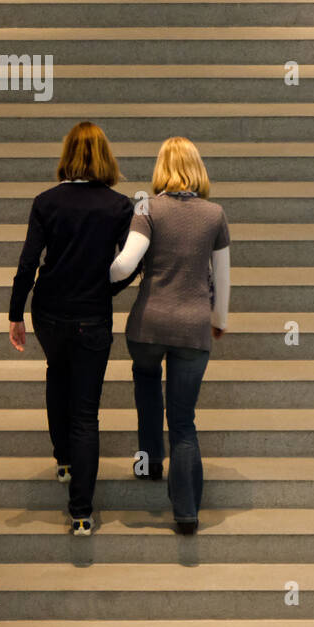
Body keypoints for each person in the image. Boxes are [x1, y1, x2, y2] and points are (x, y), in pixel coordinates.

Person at [8, 121, 134, 537]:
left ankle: (62, 459)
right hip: (92, 317)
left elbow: (29, 263)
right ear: (104, 157)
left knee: (55, 377)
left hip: (49, 313)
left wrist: (15, 314)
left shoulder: (46, 201)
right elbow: (128, 265)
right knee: (86, 414)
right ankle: (81, 513)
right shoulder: (118, 206)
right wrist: (108, 288)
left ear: (67, 156)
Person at [110, 137, 230, 534]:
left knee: (146, 385)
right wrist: (220, 320)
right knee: (183, 420)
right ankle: (187, 512)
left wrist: (95, 271)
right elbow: (223, 280)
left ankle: (150, 462)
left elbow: (123, 266)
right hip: (193, 326)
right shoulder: (215, 215)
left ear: (162, 167)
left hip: (148, 325)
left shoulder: (147, 209)